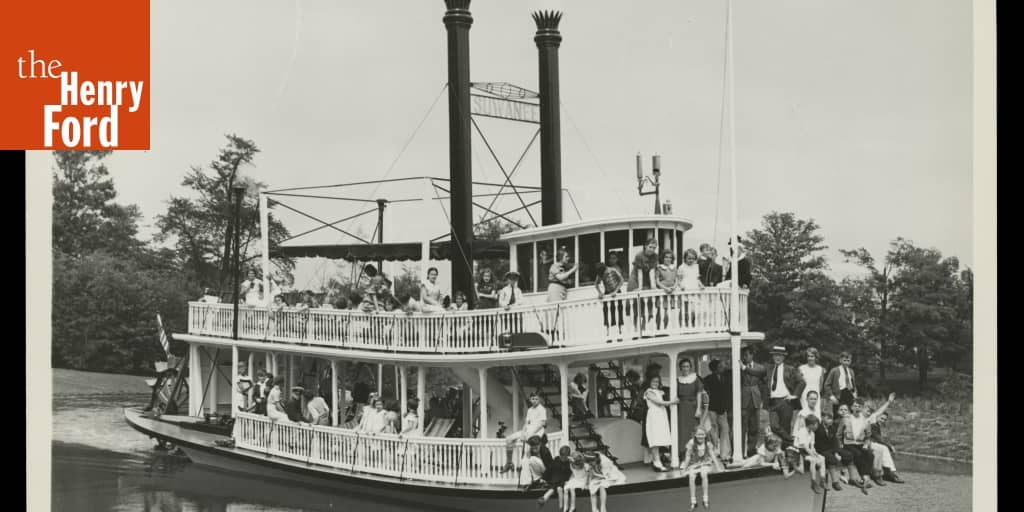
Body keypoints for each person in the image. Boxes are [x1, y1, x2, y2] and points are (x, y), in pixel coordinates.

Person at [838, 394, 896, 487]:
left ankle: (878, 474)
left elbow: (878, 412)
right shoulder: (852, 416)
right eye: (867, 409)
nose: (868, 412)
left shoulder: (867, 419)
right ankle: (869, 476)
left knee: (875, 453)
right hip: (852, 443)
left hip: (865, 442)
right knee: (865, 453)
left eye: (869, 411)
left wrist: (888, 402)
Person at [765, 345, 806, 447]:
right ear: (773, 357)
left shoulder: (790, 369)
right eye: (775, 356)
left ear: (783, 357)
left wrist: (795, 395)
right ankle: (792, 441)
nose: (777, 358)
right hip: (773, 402)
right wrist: (744, 367)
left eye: (780, 356)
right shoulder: (769, 369)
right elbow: (757, 373)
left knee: (785, 427)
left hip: (785, 402)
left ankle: (785, 451)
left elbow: (801, 382)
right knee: (774, 426)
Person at [679, 427, 724, 511]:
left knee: (704, 474)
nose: (701, 436)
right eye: (699, 434)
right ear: (695, 435)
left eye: (702, 434)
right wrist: (684, 469)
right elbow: (687, 457)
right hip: (694, 464)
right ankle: (693, 501)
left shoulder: (707, 443)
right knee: (691, 476)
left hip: (705, 463)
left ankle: (705, 499)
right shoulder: (691, 443)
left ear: (705, 435)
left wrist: (718, 467)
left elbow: (713, 456)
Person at [502, 393, 548, 473]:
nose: (534, 401)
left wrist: (531, 434)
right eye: (533, 399)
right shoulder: (529, 410)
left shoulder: (542, 409)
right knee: (509, 439)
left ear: (539, 400)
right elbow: (526, 423)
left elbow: (542, 424)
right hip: (528, 430)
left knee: (529, 445)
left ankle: (528, 469)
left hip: (537, 431)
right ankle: (509, 463)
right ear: (530, 400)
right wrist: (523, 433)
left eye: (536, 399)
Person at [834, 403, 873, 492]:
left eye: (859, 406)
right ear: (851, 408)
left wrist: (866, 444)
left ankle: (866, 476)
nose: (857, 408)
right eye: (855, 406)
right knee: (858, 454)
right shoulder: (846, 419)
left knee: (870, 454)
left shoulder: (865, 420)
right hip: (848, 444)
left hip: (860, 444)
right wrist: (839, 445)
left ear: (861, 408)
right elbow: (838, 435)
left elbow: (868, 436)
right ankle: (863, 477)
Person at [643, 376, 678, 471]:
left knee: (659, 438)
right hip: (654, 416)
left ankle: (658, 461)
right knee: (655, 439)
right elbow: (658, 402)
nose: (655, 383)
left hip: (661, 415)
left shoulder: (659, 391)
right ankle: (656, 462)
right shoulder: (649, 392)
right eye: (653, 381)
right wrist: (672, 402)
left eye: (657, 381)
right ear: (649, 382)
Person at [702, 359, 733, 462]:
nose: (722, 368)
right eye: (720, 367)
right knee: (713, 429)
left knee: (725, 429)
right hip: (712, 408)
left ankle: (725, 453)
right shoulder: (708, 379)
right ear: (714, 369)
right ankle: (715, 451)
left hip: (722, 408)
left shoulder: (726, 377)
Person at [739, 347, 767, 457]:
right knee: (742, 427)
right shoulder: (739, 367)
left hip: (755, 399)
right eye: (743, 355)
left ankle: (751, 452)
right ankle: (740, 452)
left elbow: (762, 378)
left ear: (752, 355)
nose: (745, 357)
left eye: (746, 355)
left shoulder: (760, 367)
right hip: (743, 400)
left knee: (754, 427)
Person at [728, 433, 794, 478]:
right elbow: (762, 463)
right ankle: (729, 466)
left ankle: (731, 465)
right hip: (756, 460)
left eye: (776, 445)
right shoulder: (763, 448)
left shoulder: (776, 448)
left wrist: (776, 464)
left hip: (765, 462)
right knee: (744, 465)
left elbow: (776, 460)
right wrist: (772, 464)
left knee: (743, 463)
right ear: (768, 444)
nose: (775, 447)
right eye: (773, 445)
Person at [676, 357, 704, 459]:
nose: (685, 368)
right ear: (680, 368)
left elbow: (699, 393)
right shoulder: (677, 380)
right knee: (682, 431)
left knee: (693, 430)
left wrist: (698, 408)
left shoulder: (695, 379)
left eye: (687, 366)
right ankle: (683, 454)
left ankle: (695, 453)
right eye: (683, 366)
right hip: (682, 408)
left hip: (692, 407)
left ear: (690, 368)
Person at [793, 415, 827, 493]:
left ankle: (822, 480)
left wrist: (816, 454)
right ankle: (813, 482)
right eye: (816, 424)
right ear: (811, 425)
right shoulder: (802, 431)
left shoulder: (812, 433)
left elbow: (812, 447)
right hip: (798, 451)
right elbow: (805, 447)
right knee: (813, 460)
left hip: (806, 451)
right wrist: (813, 456)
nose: (817, 426)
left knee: (822, 458)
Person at [870, 411, 906, 483]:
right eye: (881, 418)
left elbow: (879, 439)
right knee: (884, 448)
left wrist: (888, 445)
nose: (883, 421)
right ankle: (890, 473)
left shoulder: (877, 425)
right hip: (866, 443)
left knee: (883, 448)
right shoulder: (872, 424)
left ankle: (888, 472)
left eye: (884, 419)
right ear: (877, 417)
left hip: (872, 443)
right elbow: (878, 439)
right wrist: (890, 446)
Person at [824, 351, 859, 419]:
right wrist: (831, 396)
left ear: (850, 361)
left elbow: (853, 384)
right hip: (839, 395)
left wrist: (855, 393)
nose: (846, 362)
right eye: (844, 360)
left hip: (850, 395)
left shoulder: (851, 371)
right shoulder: (834, 370)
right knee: (838, 415)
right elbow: (827, 385)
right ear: (840, 360)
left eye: (848, 360)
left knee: (850, 414)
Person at [594, 261, 625, 339]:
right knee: (607, 312)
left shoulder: (612, 270)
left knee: (619, 311)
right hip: (607, 292)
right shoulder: (600, 273)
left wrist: (616, 291)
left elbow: (621, 280)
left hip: (616, 292)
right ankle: (608, 333)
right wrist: (600, 293)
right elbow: (596, 284)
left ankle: (620, 332)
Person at [538, 445, 573, 510]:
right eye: (561, 456)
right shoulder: (556, 460)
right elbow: (549, 469)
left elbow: (571, 472)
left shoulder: (569, 463)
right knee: (556, 488)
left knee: (559, 489)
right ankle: (544, 498)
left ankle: (560, 507)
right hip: (555, 479)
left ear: (568, 456)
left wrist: (570, 480)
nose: (562, 458)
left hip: (564, 481)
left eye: (565, 457)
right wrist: (543, 478)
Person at [798, 348, 826, 418]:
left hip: (816, 394)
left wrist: (815, 394)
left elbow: (821, 385)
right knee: (806, 414)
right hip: (804, 394)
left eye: (812, 356)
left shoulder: (821, 369)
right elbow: (799, 384)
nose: (810, 358)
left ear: (816, 357)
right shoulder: (801, 368)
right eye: (808, 356)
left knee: (816, 414)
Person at [654, 249, 678, 329]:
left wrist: (673, 287)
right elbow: (657, 281)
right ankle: (658, 329)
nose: (668, 259)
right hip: (663, 292)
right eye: (666, 257)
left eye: (670, 257)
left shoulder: (673, 268)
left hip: (671, 292)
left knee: (667, 313)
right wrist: (665, 288)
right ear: (662, 258)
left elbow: (676, 280)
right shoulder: (659, 268)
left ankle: (664, 329)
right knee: (660, 312)